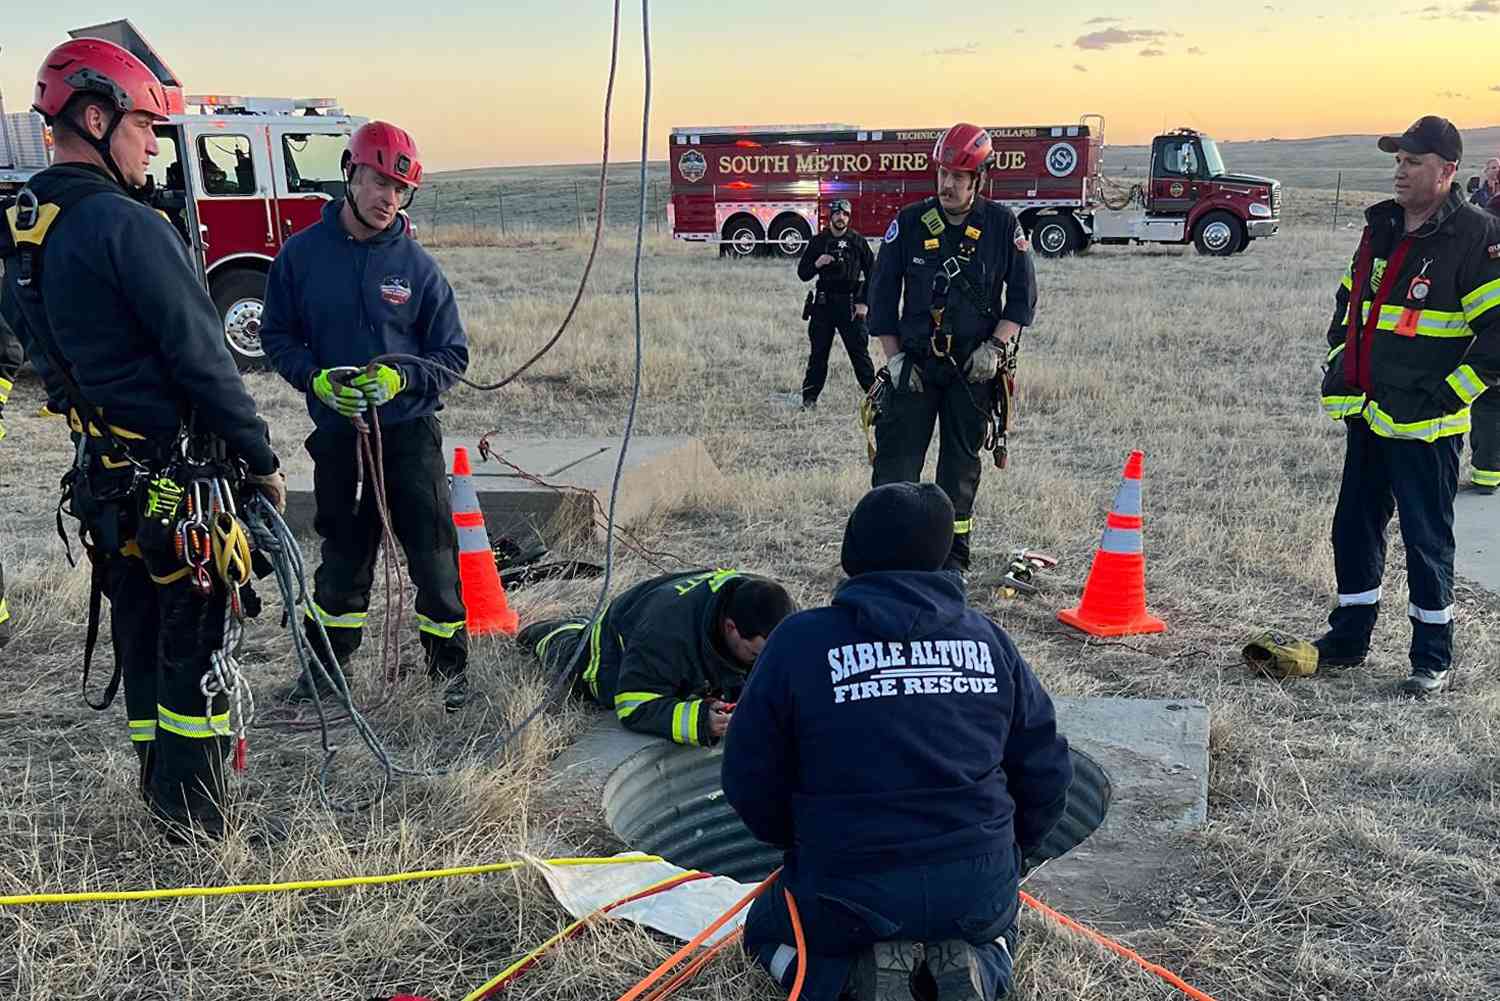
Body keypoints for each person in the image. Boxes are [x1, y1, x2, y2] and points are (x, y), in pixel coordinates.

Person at [0, 37, 287, 838]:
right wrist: (260, 459)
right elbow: (203, 358)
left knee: (138, 632)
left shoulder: (27, 229)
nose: (154, 146)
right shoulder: (126, 226)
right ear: (96, 117)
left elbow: (37, 346)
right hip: (177, 480)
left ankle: (160, 791)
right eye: (146, 128)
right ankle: (195, 825)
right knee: (192, 645)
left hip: (107, 483)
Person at [722, 483, 1072, 1001]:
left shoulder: (798, 642)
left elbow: (748, 776)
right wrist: (1011, 851)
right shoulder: (988, 640)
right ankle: (982, 966)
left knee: (766, 930)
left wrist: (797, 842)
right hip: (974, 883)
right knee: (999, 926)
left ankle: (842, 981)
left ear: (852, 553)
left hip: (845, 890)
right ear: (941, 559)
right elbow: (1045, 768)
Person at [260, 121, 473, 710]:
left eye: (400, 189)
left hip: (408, 436)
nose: (388, 199)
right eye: (380, 181)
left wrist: (401, 376)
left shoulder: (419, 268)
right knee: (343, 558)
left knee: (433, 556)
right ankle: (328, 672)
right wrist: (316, 378)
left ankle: (450, 673)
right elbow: (277, 335)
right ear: (352, 173)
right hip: (338, 436)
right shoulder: (301, 257)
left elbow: (452, 354)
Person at [1316, 116, 1500, 695]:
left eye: (1413, 161)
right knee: (1354, 529)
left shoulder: (1474, 238)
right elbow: (1350, 303)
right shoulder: (1381, 228)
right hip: (1368, 410)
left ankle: (1431, 657)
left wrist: (1450, 394)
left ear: (1446, 172)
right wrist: (1340, 360)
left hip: (1426, 423)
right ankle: (1348, 640)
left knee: (1426, 539)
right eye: (1398, 159)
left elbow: (1497, 335)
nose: (1400, 170)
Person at [867, 123, 1036, 573]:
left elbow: (1021, 299)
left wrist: (996, 348)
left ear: (978, 180)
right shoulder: (907, 223)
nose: (948, 184)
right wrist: (895, 357)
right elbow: (882, 298)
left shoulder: (1002, 226)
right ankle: (886, 557)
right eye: (943, 173)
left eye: (959, 177)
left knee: (958, 472)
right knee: (896, 467)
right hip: (915, 368)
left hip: (972, 371)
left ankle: (951, 560)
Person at [516, 569, 796, 746]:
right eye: (755, 655)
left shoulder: (772, 609)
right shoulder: (667, 633)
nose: (762, 664)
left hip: (655, 619)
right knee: (574, 661)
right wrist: (700, 720)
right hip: (614, 645)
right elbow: (633, 705)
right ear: (730, 628)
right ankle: (548, 632)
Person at [797, 198, 876, 410]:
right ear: (830, 215)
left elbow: (873, 276)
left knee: (860, 356)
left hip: (850, 306)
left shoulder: (857, 241)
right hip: (823, 305)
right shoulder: (818, 241)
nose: (841, 218)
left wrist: (864, 304)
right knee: (818, 355)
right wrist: (817, 263)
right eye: (837, 213)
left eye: (845, 214)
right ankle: (809, 399)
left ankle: (878, 399)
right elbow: (803, 273)